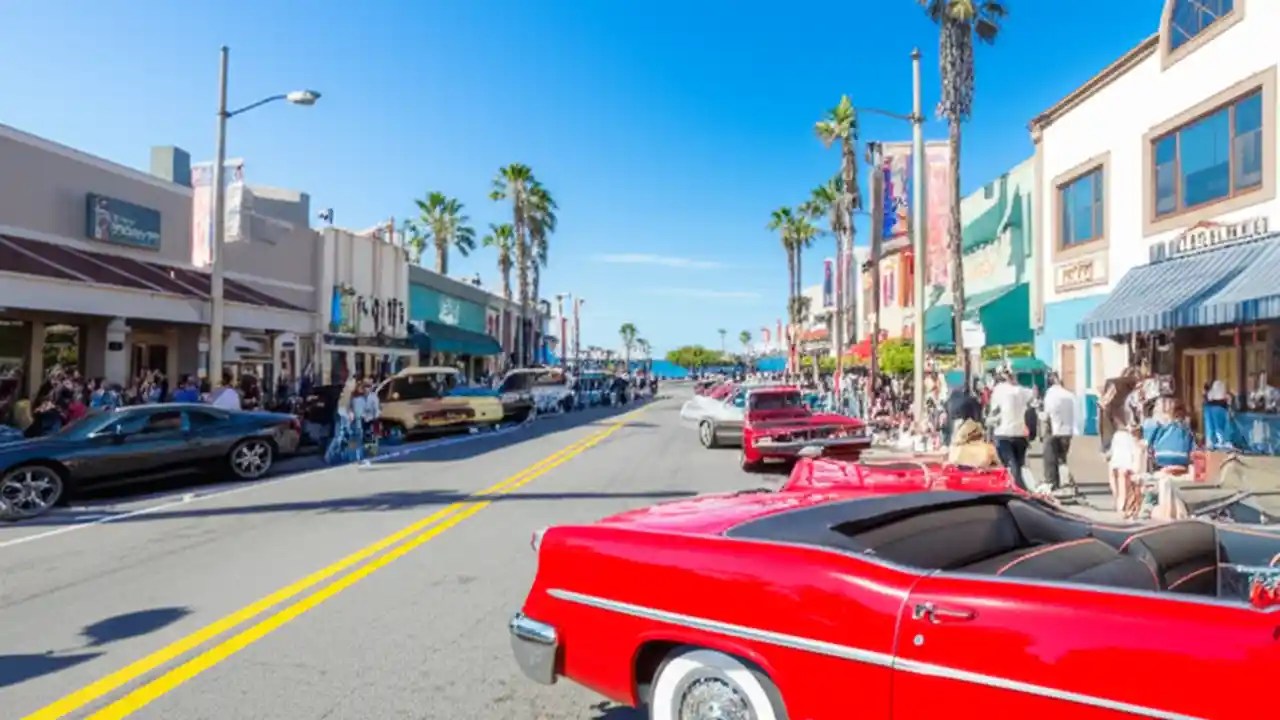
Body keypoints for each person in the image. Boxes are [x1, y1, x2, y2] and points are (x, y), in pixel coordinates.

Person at [987, 369, 1035, 490]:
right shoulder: (1022, 391)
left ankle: (1016, 488)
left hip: (1003, 433)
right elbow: (1034, 396)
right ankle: (1019, 487)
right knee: (1017, 464)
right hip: (1020, 434)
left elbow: (993, 411)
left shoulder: (998, 390)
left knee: (1009, 463)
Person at [1040, 372, 1076, 492]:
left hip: (1054, 430)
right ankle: (1066, 482)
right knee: (1062, 458)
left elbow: (1046, 415)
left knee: (1050, 457)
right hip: (1067, 431)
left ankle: (1052, 482)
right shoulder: (1069, 395)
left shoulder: (1050, 395)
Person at [1202, 380, 1231, 449]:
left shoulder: (1208, 404)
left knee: (1214, 430)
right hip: (1220, 408)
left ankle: (1216, 443)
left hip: (1212, 408)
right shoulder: (1223, 400)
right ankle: (1220, 442)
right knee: (1219, 429)